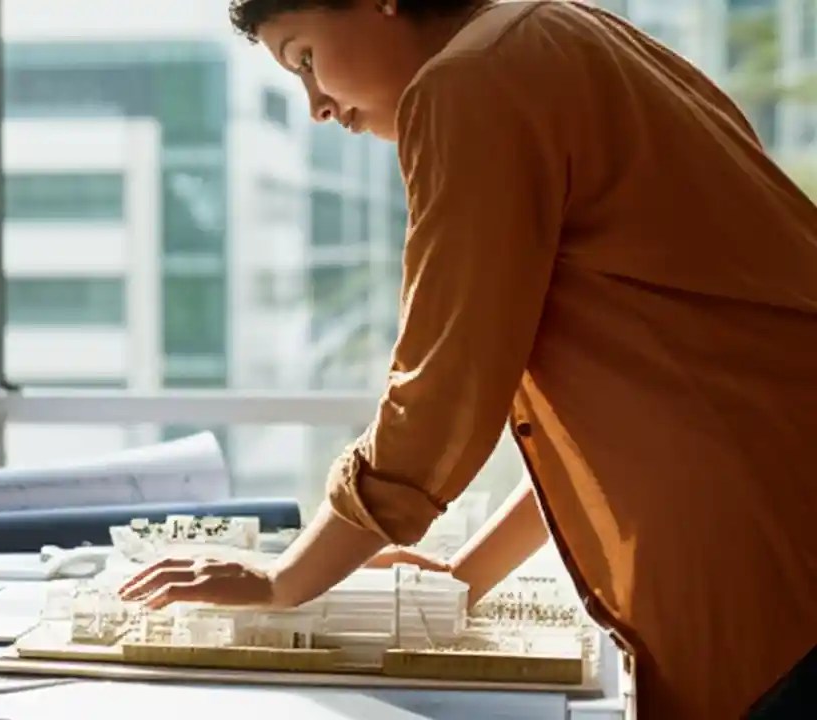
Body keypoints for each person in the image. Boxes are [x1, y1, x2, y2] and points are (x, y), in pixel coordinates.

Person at [116, 1, 817, 718]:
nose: (317, 106)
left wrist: (281, 581)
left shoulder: (470, 84)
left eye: (304, 59)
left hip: (770, 568)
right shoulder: (565, 34)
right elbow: (624, 422)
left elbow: (436, 405)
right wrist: (462, 574)